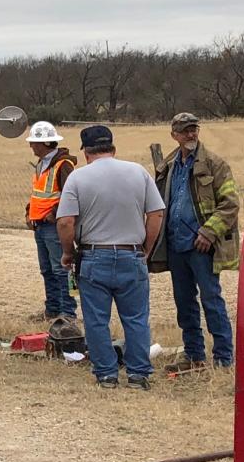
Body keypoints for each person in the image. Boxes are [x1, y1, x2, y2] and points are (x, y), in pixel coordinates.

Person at [57, 125, 165, 390]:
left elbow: (65, 222)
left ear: (86, 153)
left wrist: (68, 252)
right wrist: (146, 248)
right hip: (132, 254)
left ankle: (106, 374)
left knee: (96, 320)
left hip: (94, 256)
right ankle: (139, 374)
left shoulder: (78, 178)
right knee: (136, 318)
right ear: (113, 149)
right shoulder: (138, 172)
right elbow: (156, 214)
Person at [149, 113, 240, 372]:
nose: (191, 134)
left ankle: (223, 359)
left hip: (202, 247)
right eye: (185, 130)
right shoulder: (167, 165)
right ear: (174, 135)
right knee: (184, 303)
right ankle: (194, 355)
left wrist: (209, 232)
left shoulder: (214, 164)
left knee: (212, 301)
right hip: (176, 245)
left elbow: (230, 204)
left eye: (193, 129)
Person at [24, 121, 78, 321]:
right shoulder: (42, 164)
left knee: (64, 269)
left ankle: (69, 312)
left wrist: (53, 214)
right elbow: (38, 193)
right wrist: (29, 212)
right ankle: (53, 310)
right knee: (47, 270)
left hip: (55, 226)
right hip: (40, 225)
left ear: (46, 143)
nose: (31, 146)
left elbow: (70, 195)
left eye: (35, 142)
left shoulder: (64, 165)